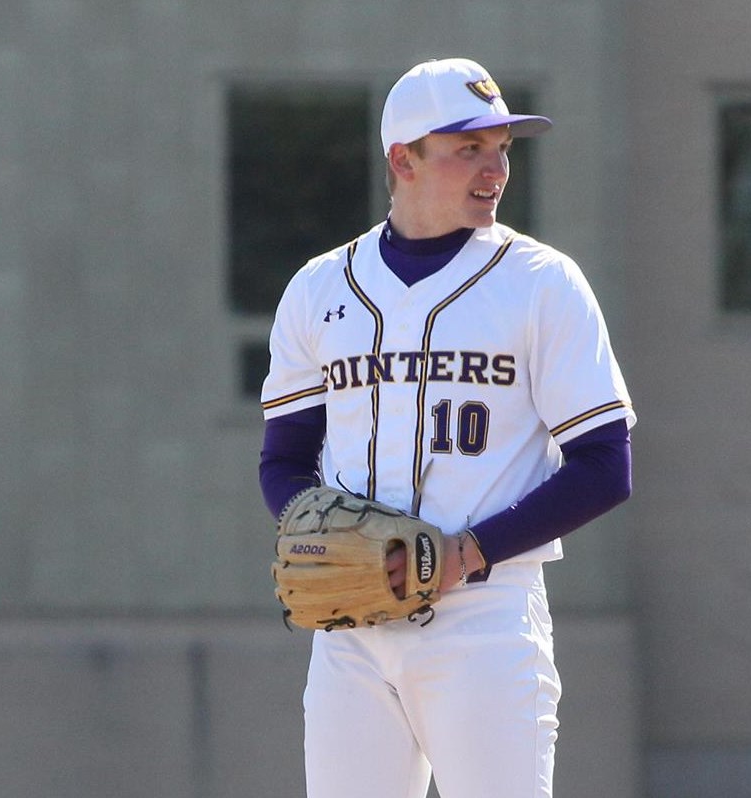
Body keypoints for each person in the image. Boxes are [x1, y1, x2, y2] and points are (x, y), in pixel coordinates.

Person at [258, 56, 635, 798]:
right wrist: (315, 537)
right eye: (469, 148)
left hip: (485, 619)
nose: (494, 167)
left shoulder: (540, 283)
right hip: (352, 630)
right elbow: (284, 459)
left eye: (503, 147)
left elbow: (605, 464)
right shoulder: (320, 287)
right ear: (403, 159)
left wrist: (465, 554)